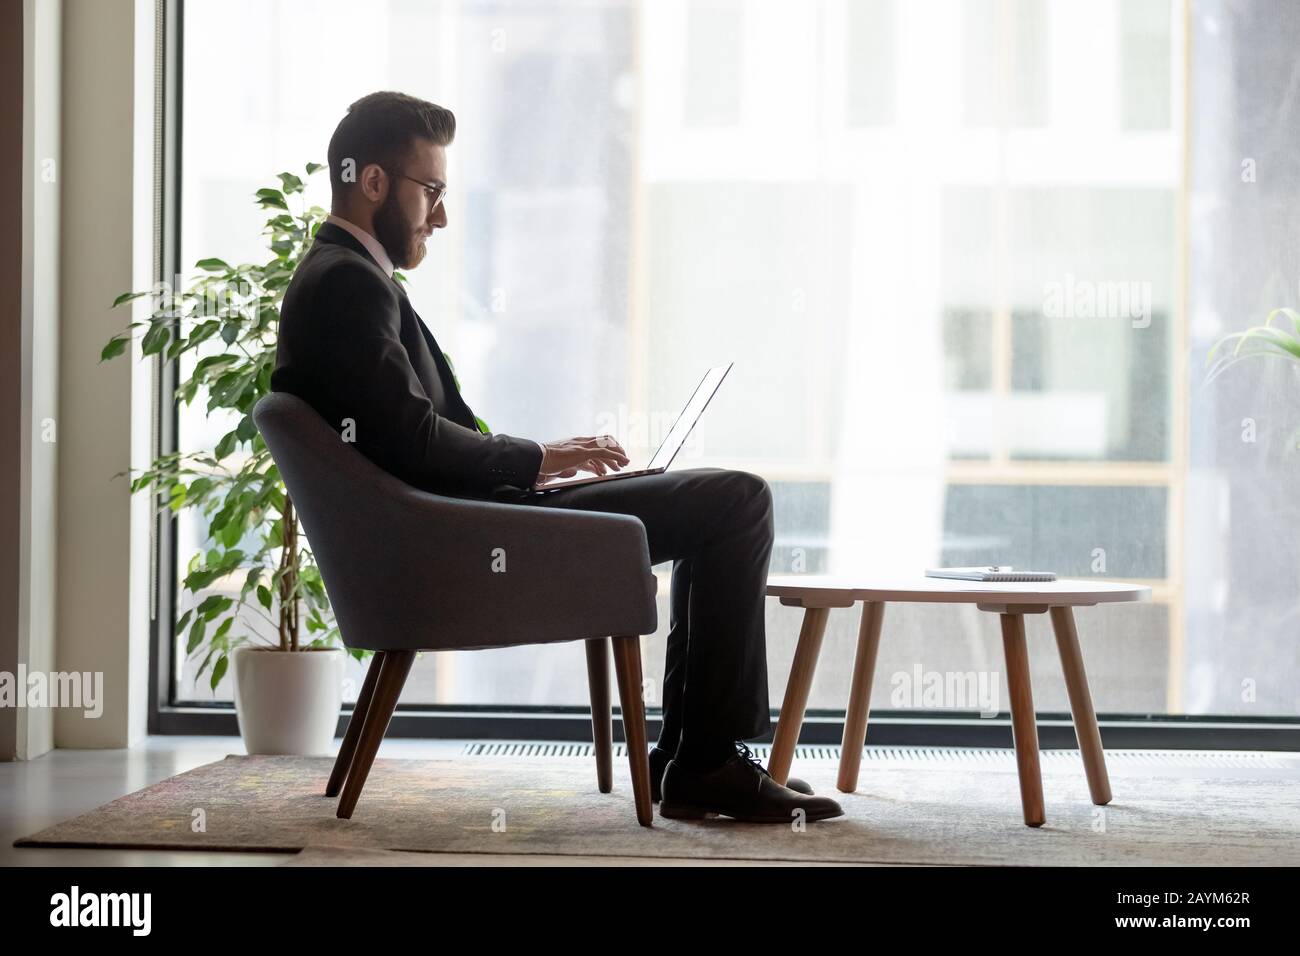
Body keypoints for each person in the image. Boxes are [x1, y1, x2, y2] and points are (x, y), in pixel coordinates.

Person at [272, 91, 842, 824]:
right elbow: (413, 444)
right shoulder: (347, 284)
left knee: (710, 503)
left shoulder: (342, 276)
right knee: (736, 500)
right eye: (432, 192)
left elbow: (407, 439)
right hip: (472, 538)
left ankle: (692, 754)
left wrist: (546, 460)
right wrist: (541, 457)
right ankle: (703, 761)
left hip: (465, 523)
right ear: (373, 182)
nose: (441, 216)